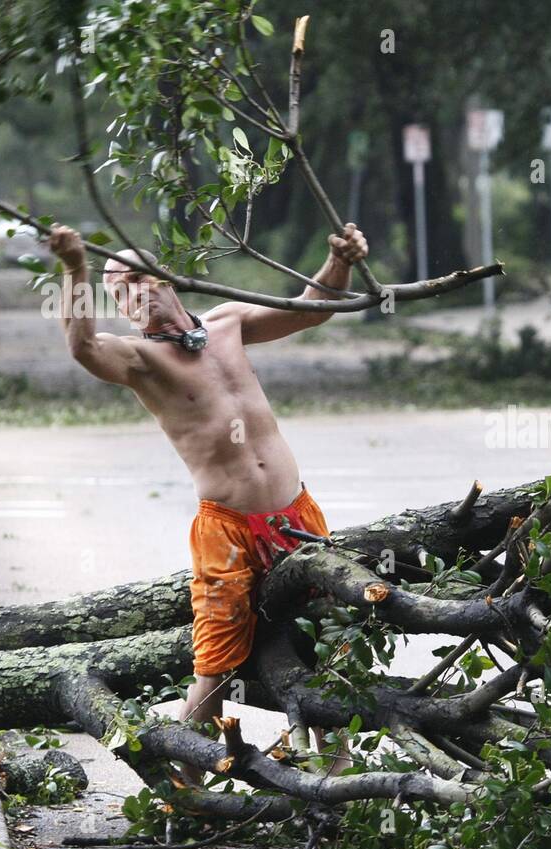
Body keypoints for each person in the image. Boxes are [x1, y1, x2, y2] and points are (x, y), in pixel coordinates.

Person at [47, 221, 369, 783]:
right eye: (118, 287)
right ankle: (187, 787)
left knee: (332, 634)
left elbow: (313, 307)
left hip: (297, 516)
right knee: (215, 662)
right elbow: (84, 348)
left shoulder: (227, 324)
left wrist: (338, 260)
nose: (133, 291)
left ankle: (340, 782)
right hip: (226, 529)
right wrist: (76, 269)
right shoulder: (141, 359)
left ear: (168, 279)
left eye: (140, 276)